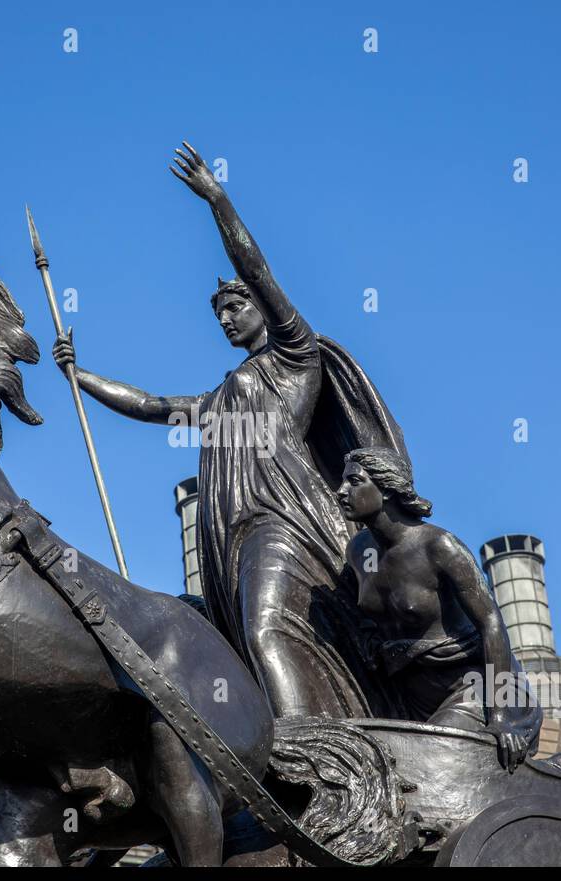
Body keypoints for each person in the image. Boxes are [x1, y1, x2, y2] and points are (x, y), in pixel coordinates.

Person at [52, 143, 405, 718]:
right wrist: (78, 374)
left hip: (284, 516)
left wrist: (218, 199)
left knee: (265, 630)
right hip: (229, 530)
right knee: (241, 641)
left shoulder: (296, 356)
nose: (224, 318)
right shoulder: (219, 399)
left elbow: (256, 269)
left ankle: (307, 748)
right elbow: (151, 405)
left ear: (261, 310)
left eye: (233, 306)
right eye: (217, 313)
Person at [336, 447, 541, 772]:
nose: (341, 491)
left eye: (354, 482)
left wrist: (500, 716)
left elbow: (491, 622)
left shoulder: (439, 547)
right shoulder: (359, 551)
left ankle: (555, 769)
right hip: (411, 696)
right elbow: (366, 620)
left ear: (387, 489)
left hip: (473, 689)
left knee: (429, 765)